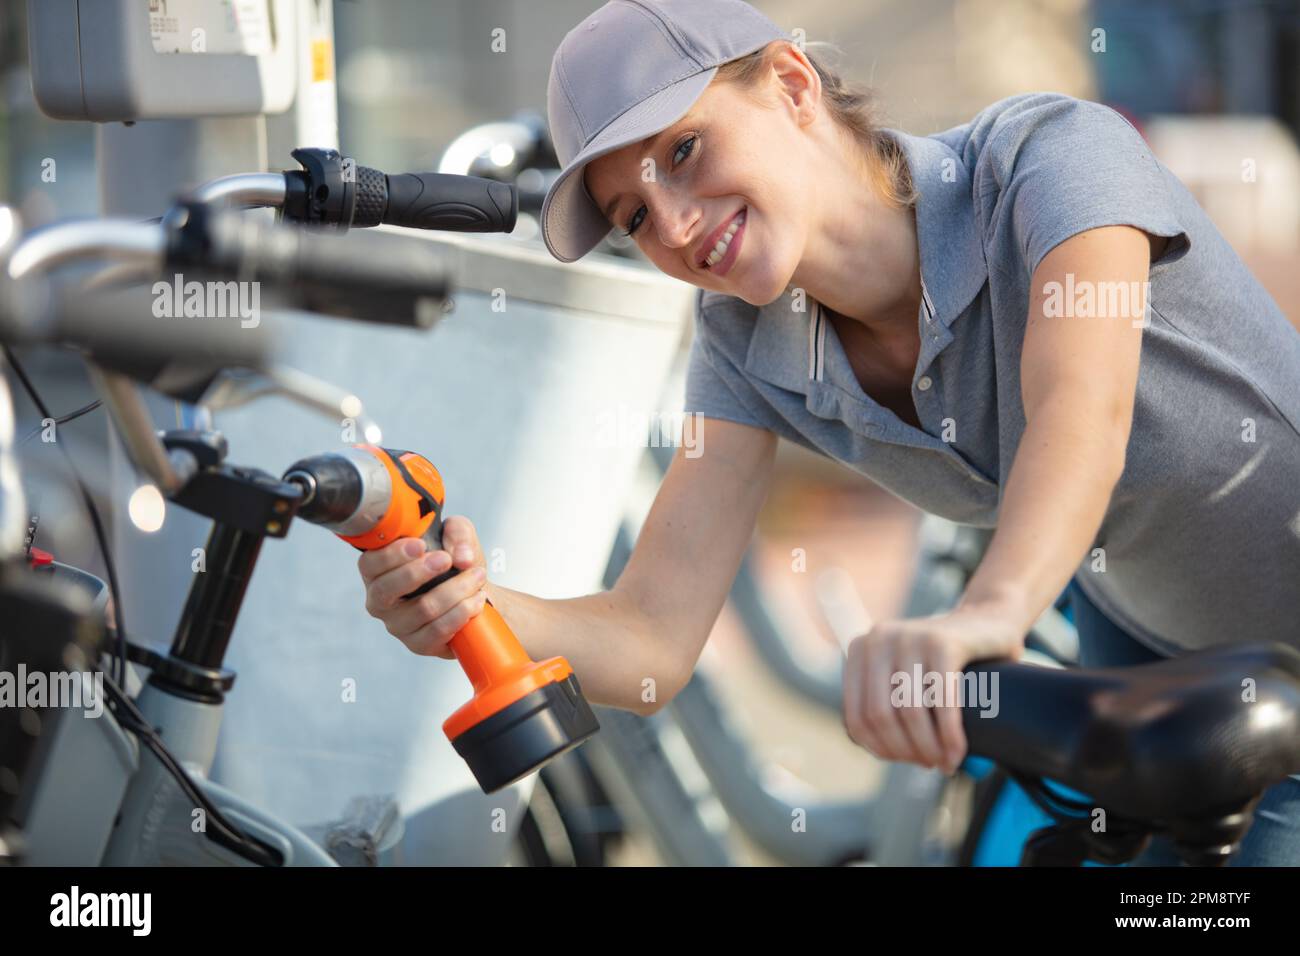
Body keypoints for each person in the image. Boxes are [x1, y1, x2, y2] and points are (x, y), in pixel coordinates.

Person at [357, 0, 1300, 864]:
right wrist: (471, 607)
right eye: (633, 216)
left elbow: (1083, 413)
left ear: (792, 86)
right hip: (1161, 640)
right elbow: (652, 641)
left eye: (683, 151)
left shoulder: (1048, 160)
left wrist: (987, 612)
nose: (676, 228)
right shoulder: (744, 344)